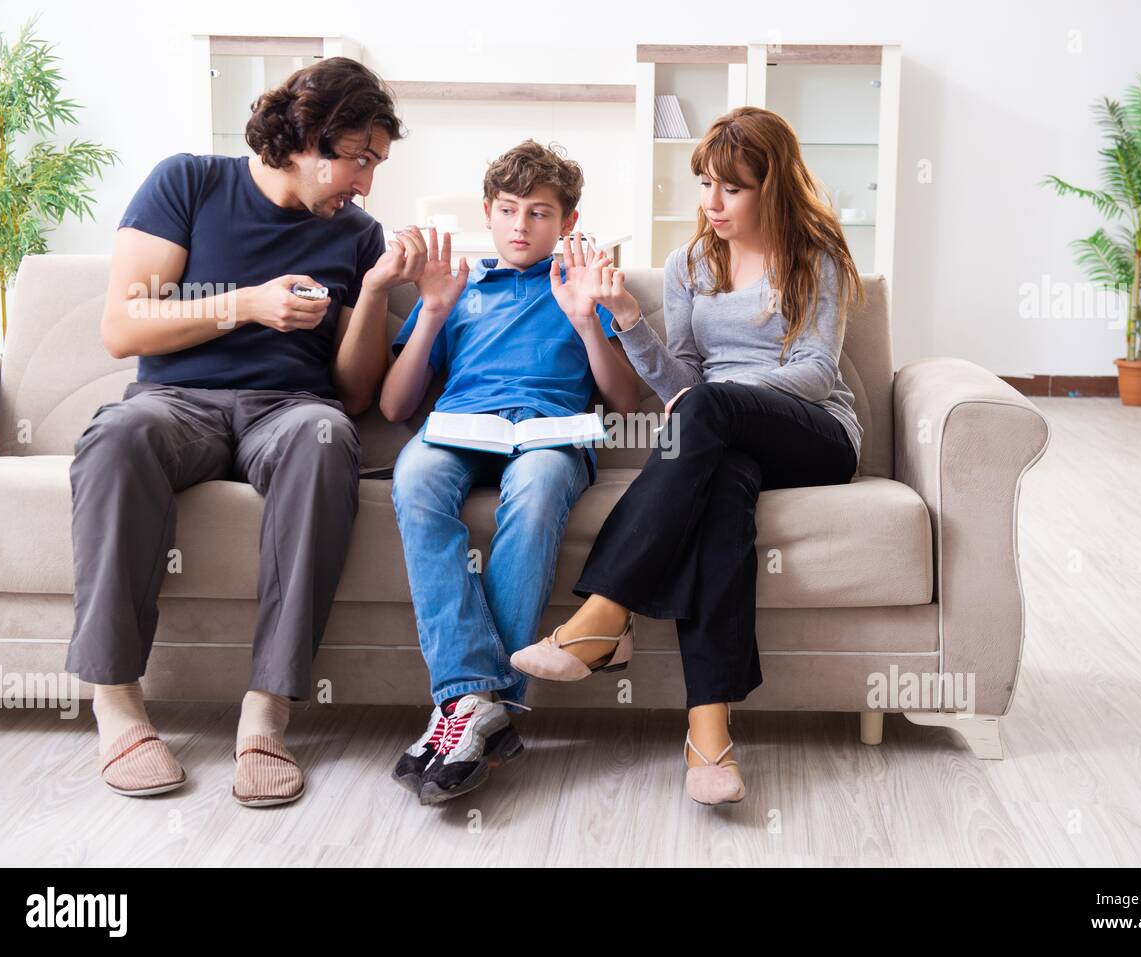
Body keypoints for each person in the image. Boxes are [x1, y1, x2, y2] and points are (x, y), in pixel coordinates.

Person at [66, 57, 426, 806]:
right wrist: (246, 306)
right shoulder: (189, 182)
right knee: (118, 436)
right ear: (306, 137)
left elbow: (357, 393)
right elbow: (122, 326)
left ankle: (266, 711)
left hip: (289, 408)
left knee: (326, 436)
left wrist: (373, 294)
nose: (367, 182)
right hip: (177, 400)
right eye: (360, 158)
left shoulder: (358, 235)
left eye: (377, 163)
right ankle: (117, 703)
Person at [511, 107, 865, 806]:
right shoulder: (689, 265)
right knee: (721, 485)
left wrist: (717, 399)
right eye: (705, 183)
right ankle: (709, 737)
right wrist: (629, 319)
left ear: (774, 186)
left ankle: (606, 615)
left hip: (815, 434)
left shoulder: (817, 255)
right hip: (725, 438)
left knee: (709, 410)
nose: (710, 202)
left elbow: (818, 372)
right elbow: (679, 385)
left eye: (730, 188)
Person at [380, 140, 639, 805]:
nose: (521, 225)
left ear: (568, 223)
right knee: (414, 478)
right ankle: (481, 700)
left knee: (540, 485)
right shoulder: (459, 287)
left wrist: (587, 323)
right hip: (462, 427)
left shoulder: (585, 288)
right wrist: (433, 308)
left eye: (540, 213)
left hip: (549, 436)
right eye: (508, 209)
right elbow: (393, 405)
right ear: (489, 215)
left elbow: (627, 401)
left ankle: (466, 707)